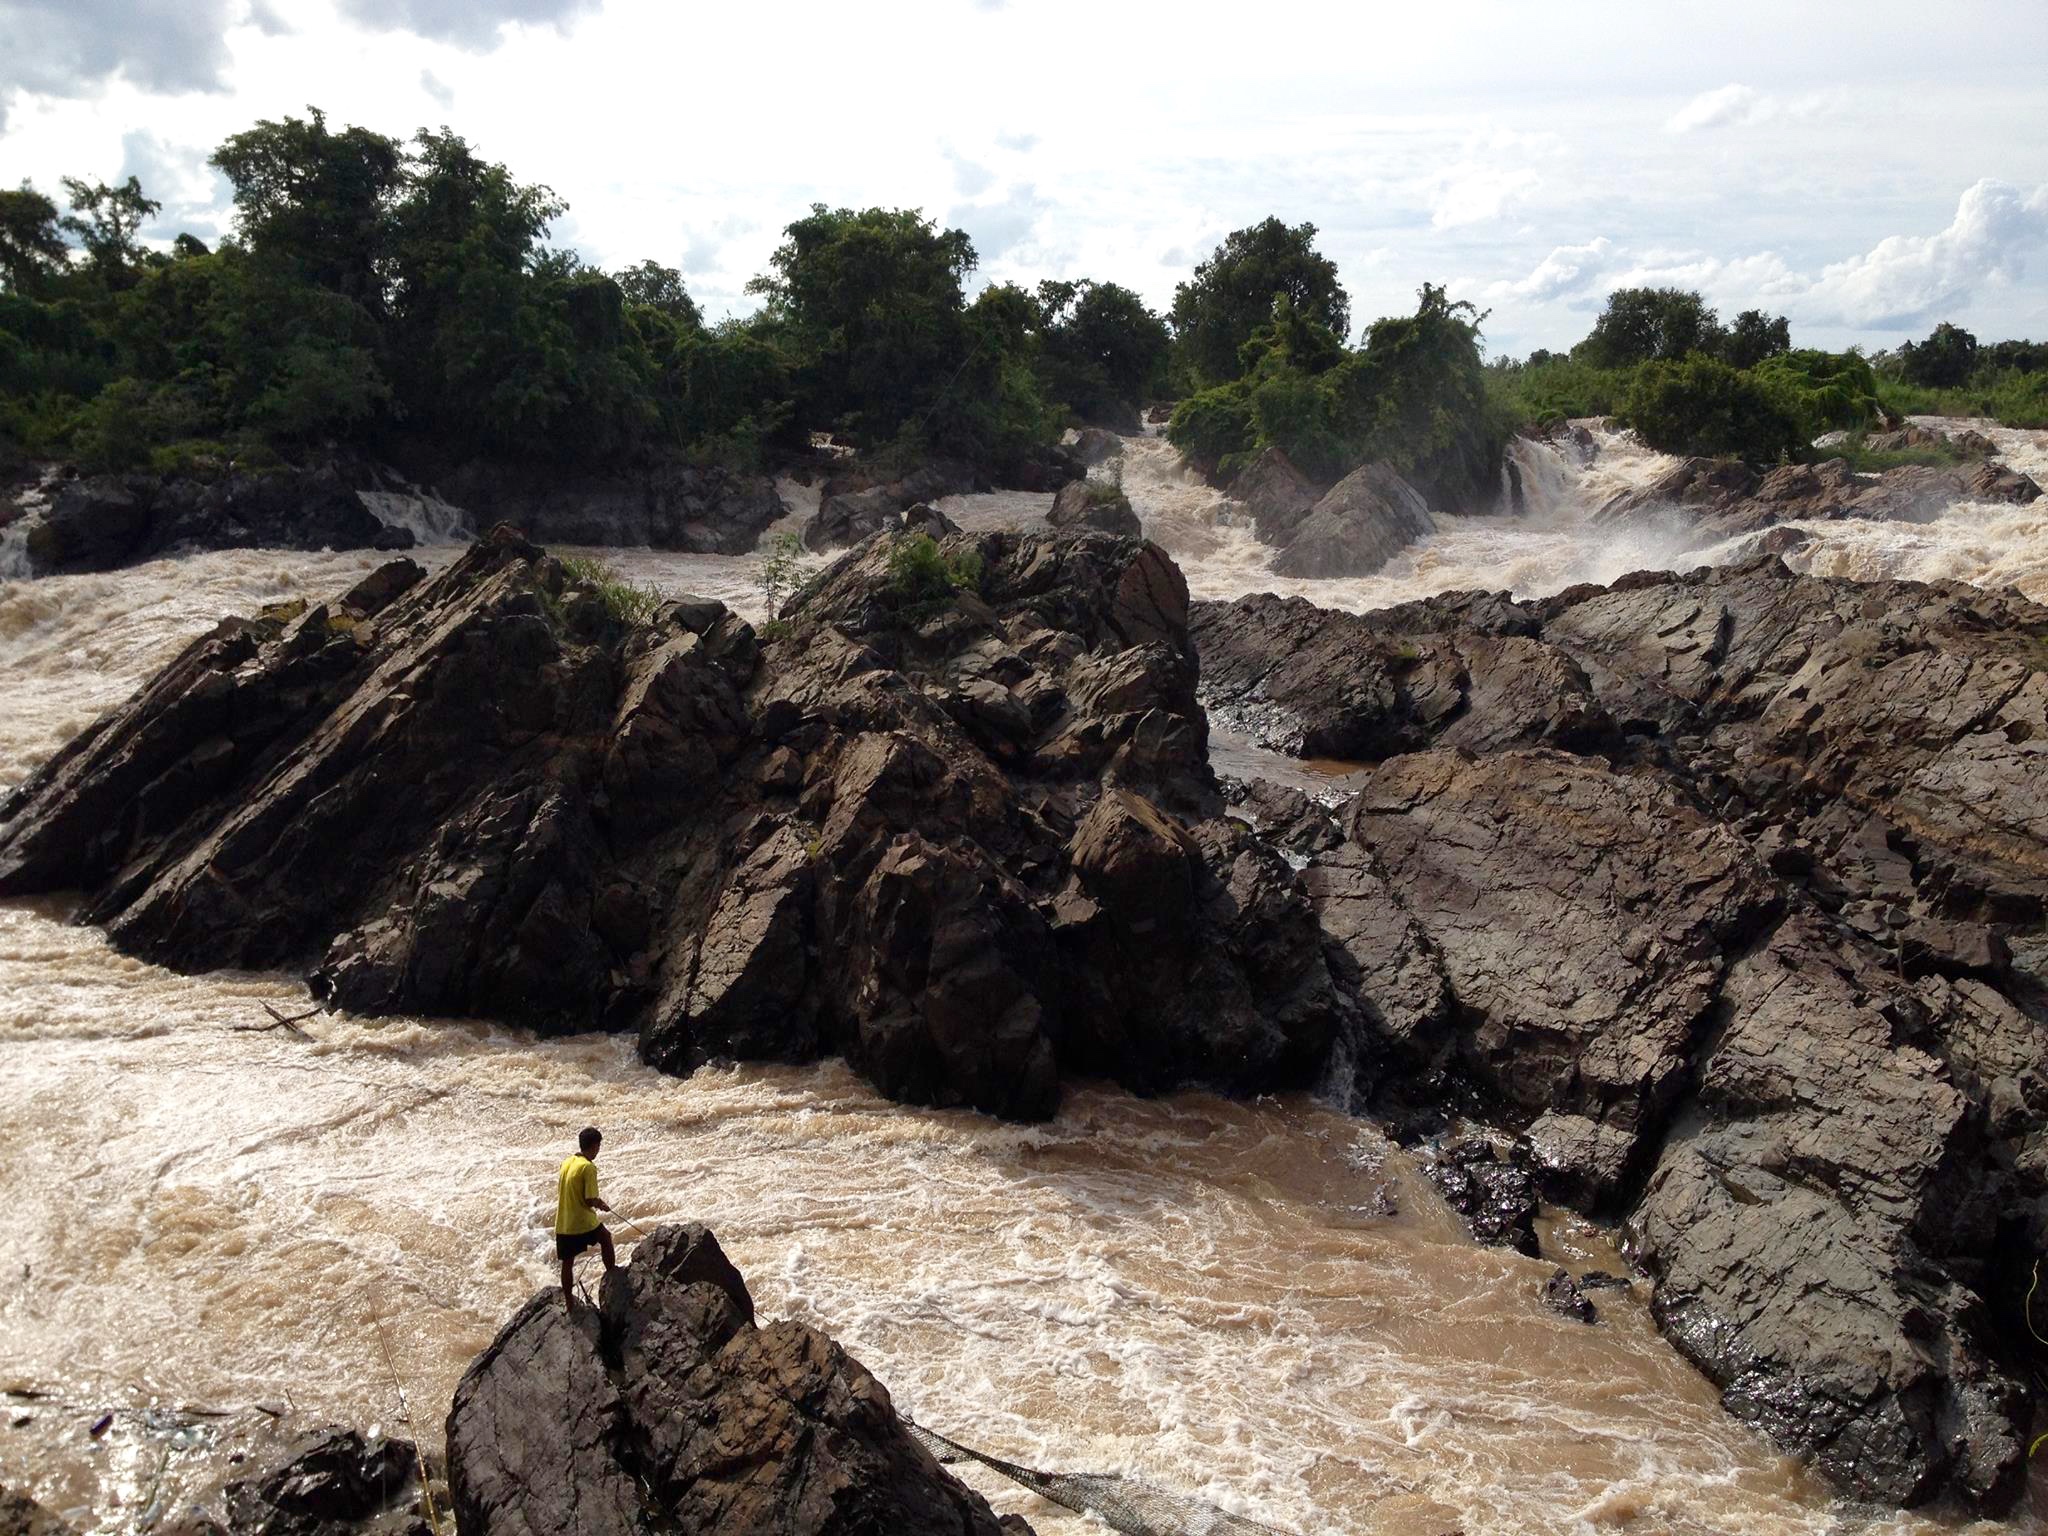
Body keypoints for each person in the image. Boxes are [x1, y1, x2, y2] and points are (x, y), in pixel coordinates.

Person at [555, 1126, 616, 1309]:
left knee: (568, 1261)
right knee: (606, 1239)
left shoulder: (567, 1162)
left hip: (564, 1222)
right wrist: (601, 1204)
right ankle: (612, 1276)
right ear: (594, 1146)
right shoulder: (588, 1167)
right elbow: (589, 1199)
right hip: (582, 1221)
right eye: (598, 1146)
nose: (599, 1150)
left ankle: (568, 1302)